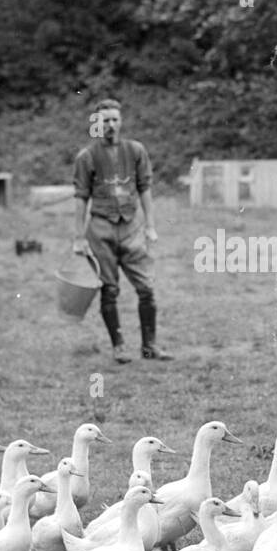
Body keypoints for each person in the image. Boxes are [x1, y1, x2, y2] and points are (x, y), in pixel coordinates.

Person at [71, 98, 174, 362]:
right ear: (97, 124)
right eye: (105, 120)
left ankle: (149, 346)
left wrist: (150, 225)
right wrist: (79, 237)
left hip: (132, 228)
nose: (111, 125)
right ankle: (118, 347)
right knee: (109, 289)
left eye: (115, 119)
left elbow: (145, 188)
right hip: (101, 229)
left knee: (146, 287)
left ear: (121, 121)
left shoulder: (136, 150)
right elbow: (81, 196)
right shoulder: (87, 157)